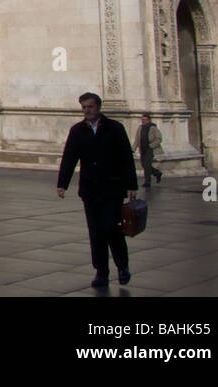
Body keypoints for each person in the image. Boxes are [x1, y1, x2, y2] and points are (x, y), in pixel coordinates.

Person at [57, 92, 139, 288]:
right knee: (96, 232)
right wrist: (62, 183)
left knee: (111, 228)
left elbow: (126, 157)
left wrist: (131, 185)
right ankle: (101, 271)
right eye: (84, 107)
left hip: (112, 188)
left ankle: (122, 266)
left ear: (98, 107)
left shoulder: (115, 128)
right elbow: (69, 157)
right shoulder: (77, 130)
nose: (86, 111)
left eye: (90, 107)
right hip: (90, 189)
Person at [132, 114, 164, 188]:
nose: (143, 121)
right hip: (142, 149)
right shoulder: (140, 128)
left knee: (147, 165)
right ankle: (157, 173)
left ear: (148, 120)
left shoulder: (153, 128)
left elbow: (159, 138)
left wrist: (151, 145)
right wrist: (133, 148)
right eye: (142, 120)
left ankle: (147, 182)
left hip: (150, 149)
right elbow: (137, 139)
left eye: (144, 120)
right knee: (144, 165)